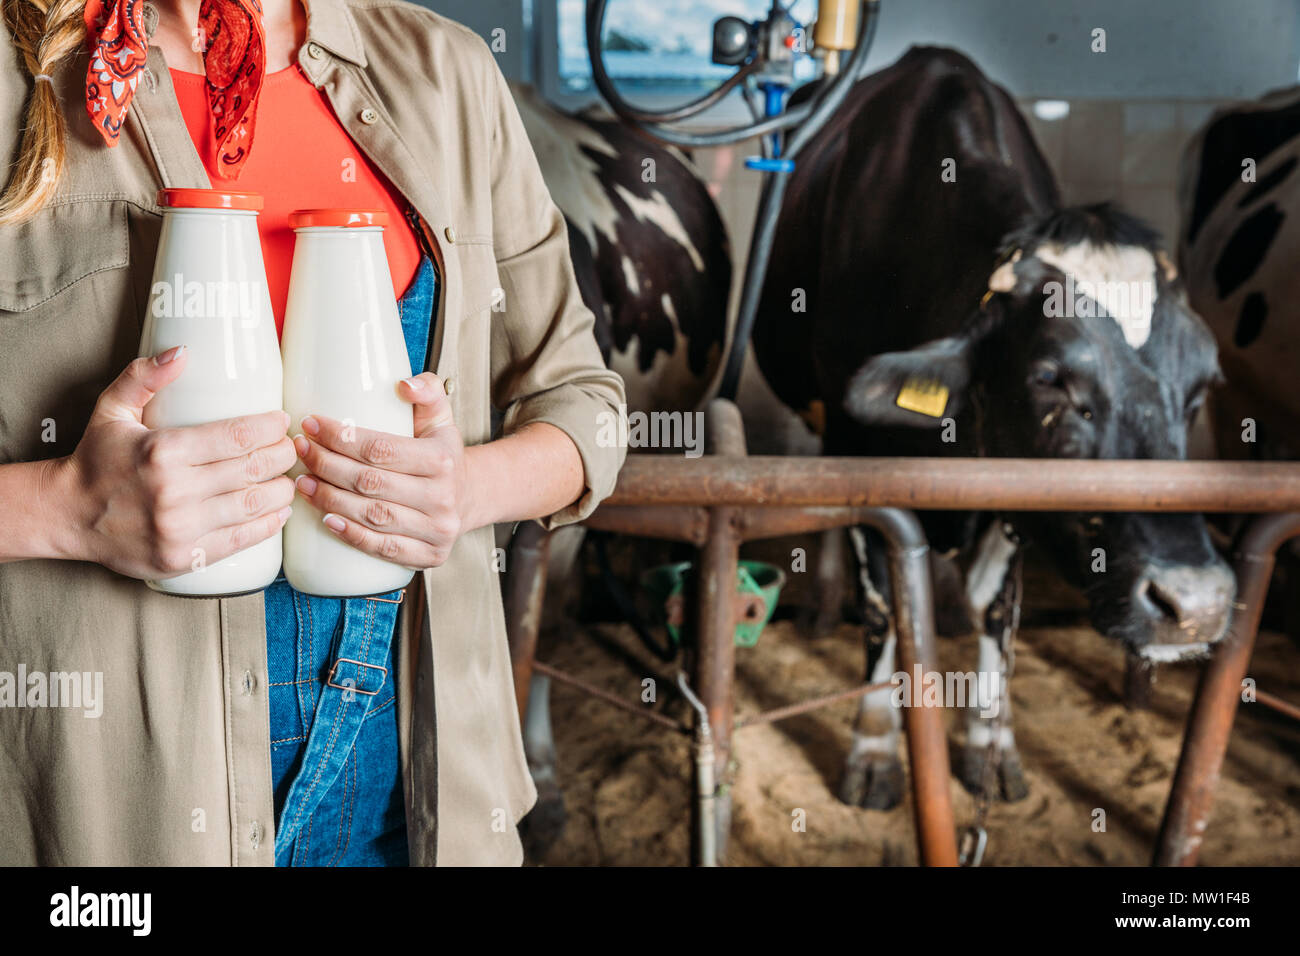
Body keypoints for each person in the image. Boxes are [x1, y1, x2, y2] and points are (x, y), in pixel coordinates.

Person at [0, 0, 626, 865]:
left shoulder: (445, 74)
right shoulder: (15, 76)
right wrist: (62, 509)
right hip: (116, 827)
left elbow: (582, 403)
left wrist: (468, 489)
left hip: (416, 802)